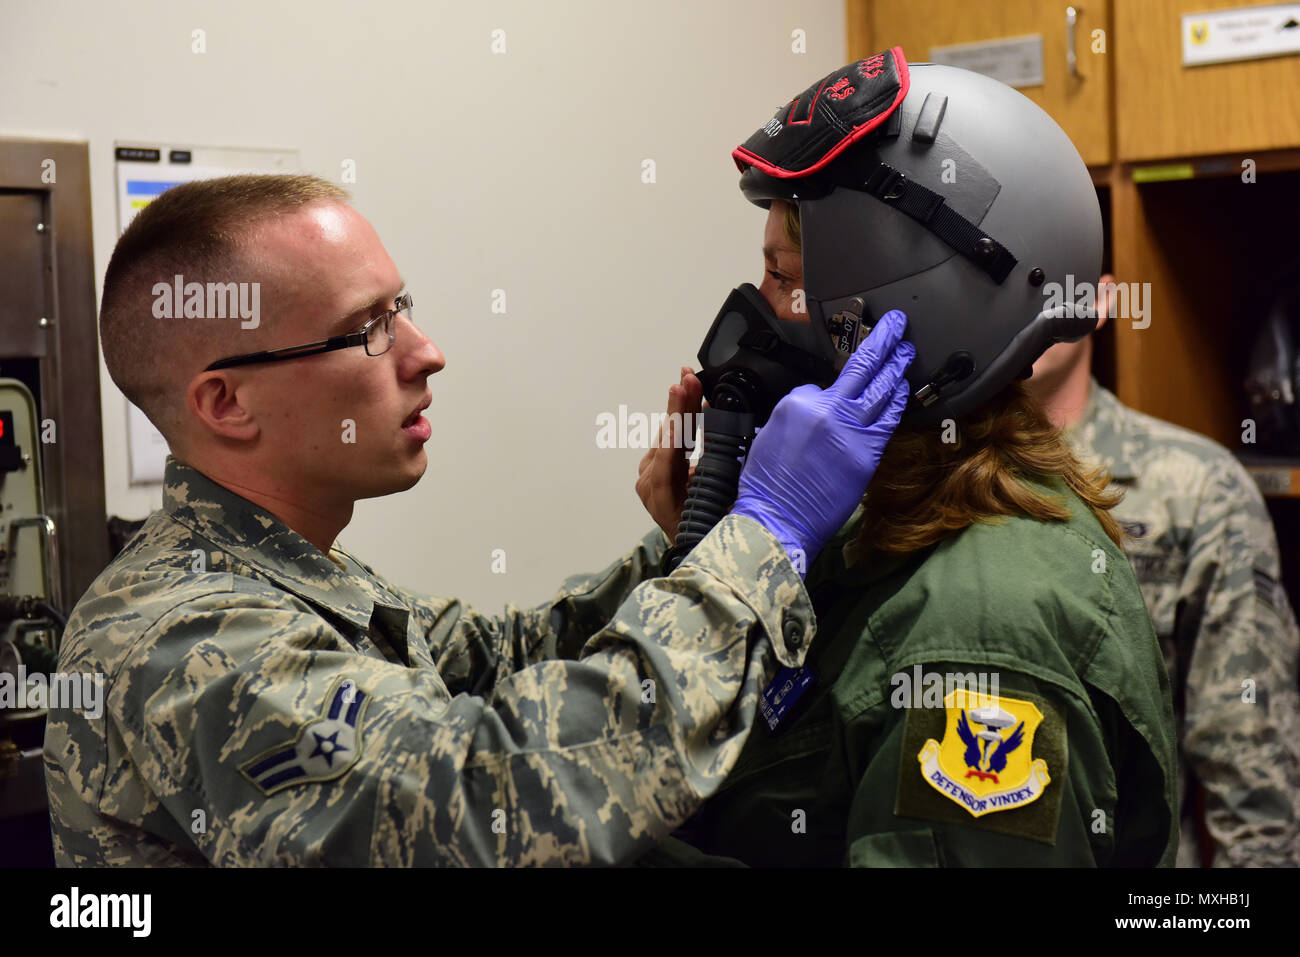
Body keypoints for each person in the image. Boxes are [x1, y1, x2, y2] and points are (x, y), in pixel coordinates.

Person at [44, 173, 915, 867]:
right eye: (368, 328)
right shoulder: (180, 640)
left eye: (404, 305)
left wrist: (694, 538)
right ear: (227, 403)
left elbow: (515, 653)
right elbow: (489, 799)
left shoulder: (290, 576)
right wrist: (764, 537)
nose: (427, 351)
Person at [636, 52, 1179, 866]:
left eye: (782, 276)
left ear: (898, 311)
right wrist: (720, 556)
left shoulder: (980, 635)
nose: (754, 312)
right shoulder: (868, 524)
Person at [1027, 275, 1300, 867]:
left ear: (1099, 300)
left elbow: (1248, 762)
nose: (1022, 302)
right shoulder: (900, 478)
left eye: (1045, 278)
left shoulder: (1196, 487)